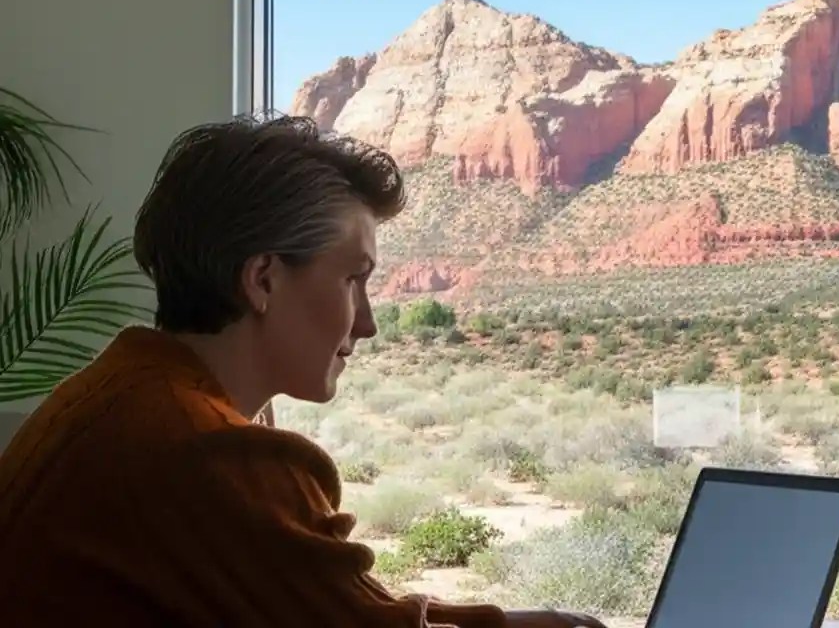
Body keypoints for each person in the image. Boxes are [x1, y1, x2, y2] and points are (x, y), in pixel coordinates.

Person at [0, 116, 607, 628]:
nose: (367, 323)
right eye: (352, 280)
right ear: (263, 280)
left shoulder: (120, 391)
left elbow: (326, 607)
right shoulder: (210, 453)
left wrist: (513, 621)